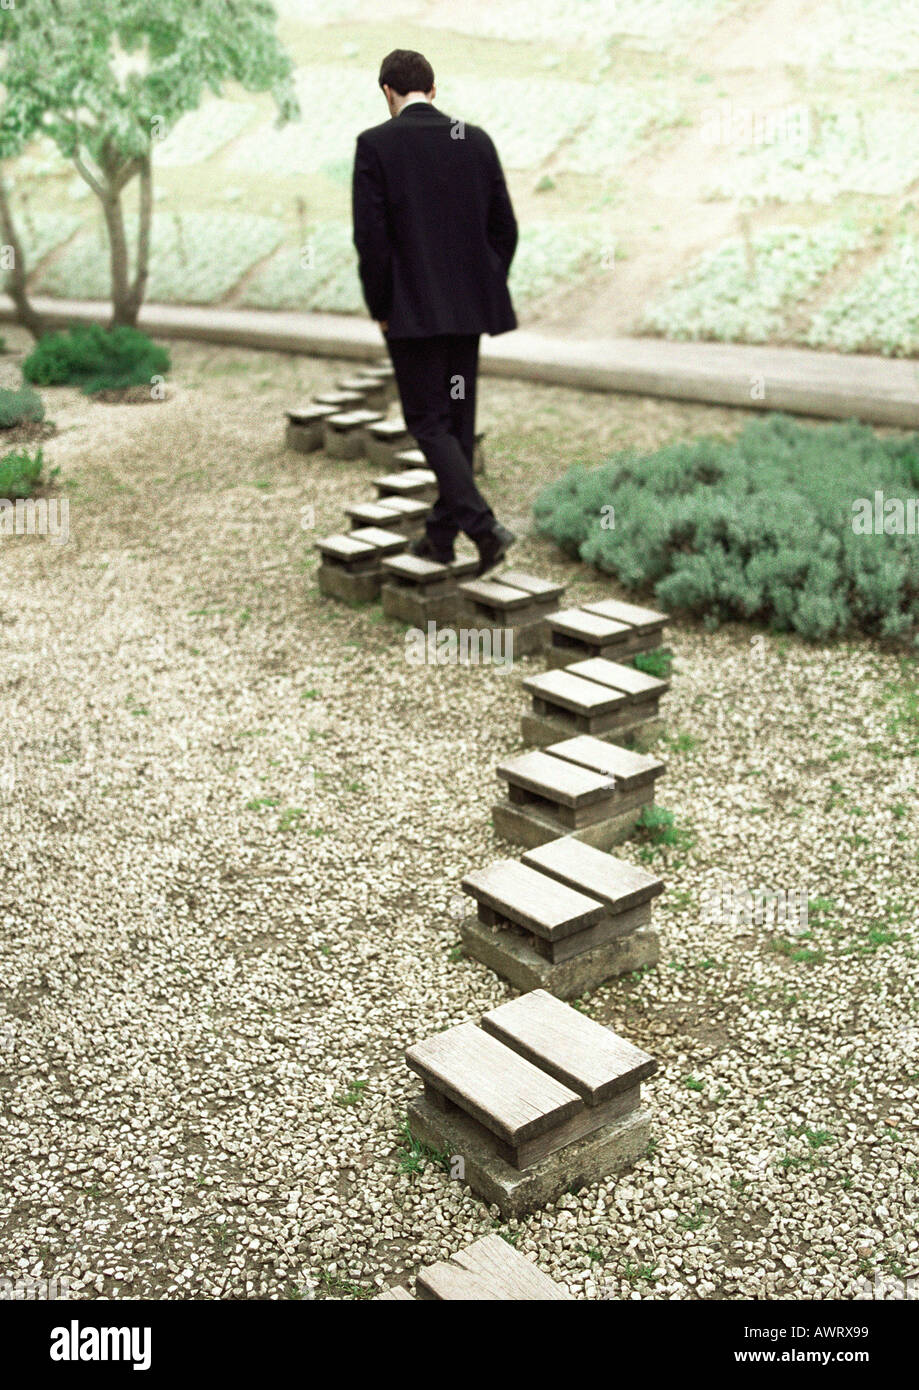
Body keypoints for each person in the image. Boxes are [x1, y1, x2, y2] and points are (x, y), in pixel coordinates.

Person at [352, 48, 518, 575]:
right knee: (456, 421)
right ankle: (441, 540)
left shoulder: (376, 146)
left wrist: (381, 305)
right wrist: (482, 285)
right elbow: (505, 230)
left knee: (426, 420)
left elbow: (371, 239)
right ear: (434, 89)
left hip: (411, 313)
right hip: (466, 314)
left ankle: (484, 529)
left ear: (387, 92)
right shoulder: (475, 140)